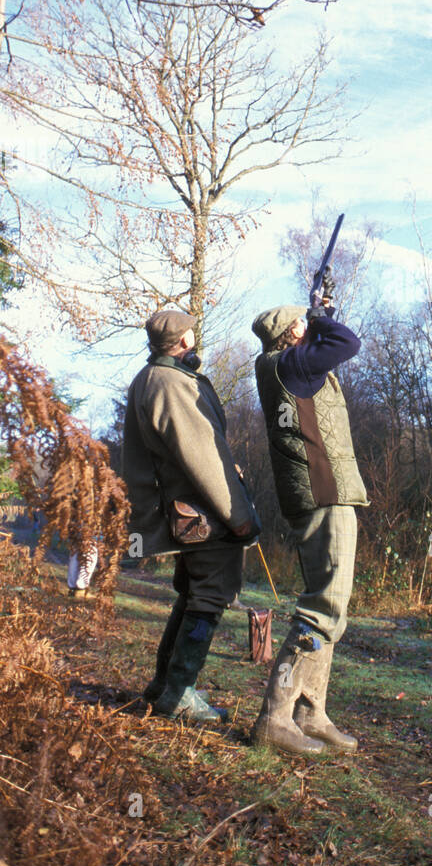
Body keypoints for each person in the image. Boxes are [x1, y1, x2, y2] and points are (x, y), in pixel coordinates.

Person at [250, 273, 368, 757]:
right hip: (325, 492)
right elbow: (346, 342)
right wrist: (323, 317)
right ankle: (276, 717)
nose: (308, 326)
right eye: (301, 323)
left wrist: (319, 314)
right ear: (292, 335)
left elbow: (332, 342)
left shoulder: (285, 364)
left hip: (322, 492)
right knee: (323, 607)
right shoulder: (294, 364)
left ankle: (310, 712)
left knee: (329, 604)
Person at [122, 309, 256, 722]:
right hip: (203, 512)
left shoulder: (146, 379)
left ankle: (165, 686)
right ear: (184, 341)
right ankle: (178, 694)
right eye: (192, 335)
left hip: (182, 511)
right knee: (210, 597)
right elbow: (202, 455)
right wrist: (238, 514)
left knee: (193, 594)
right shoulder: (172, 383)